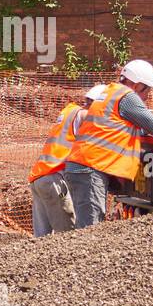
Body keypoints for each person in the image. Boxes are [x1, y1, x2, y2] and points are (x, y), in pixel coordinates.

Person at [65, 60, 153, 228]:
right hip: (89, 168)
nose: (147, 97)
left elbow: (122, 128)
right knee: (90, 230)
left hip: (83, 167)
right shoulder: (127, 97)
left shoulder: (110, 92)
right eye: (148, 90)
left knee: (88, 226)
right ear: (139, 85)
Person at [28, 85, 107, 237]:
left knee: (40, 238)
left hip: (39, 177)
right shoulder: (85, 115)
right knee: (67, 238)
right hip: (55, 179)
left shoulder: (69, 111)